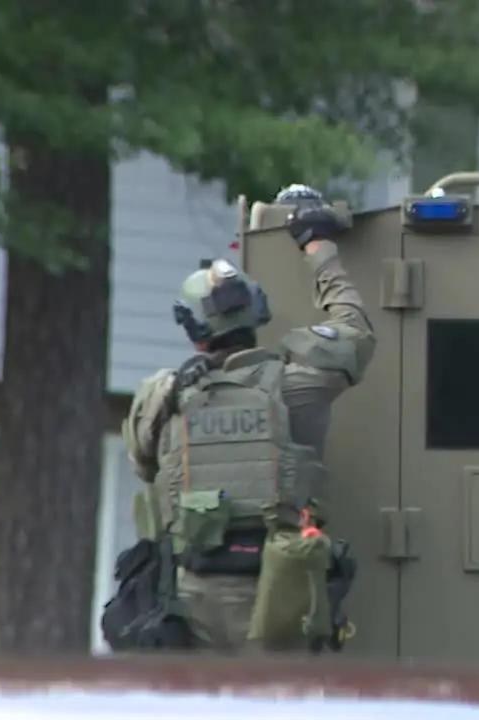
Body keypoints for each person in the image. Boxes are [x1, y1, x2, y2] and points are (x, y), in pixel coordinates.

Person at [119, 184, 375, 655]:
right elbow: (355, 332)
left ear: (195, 334)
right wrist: (317, 246)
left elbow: (144, 464)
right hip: (279, 590)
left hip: (187, 594)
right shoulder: (294, 387)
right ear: (258, 314)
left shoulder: (165, 396)